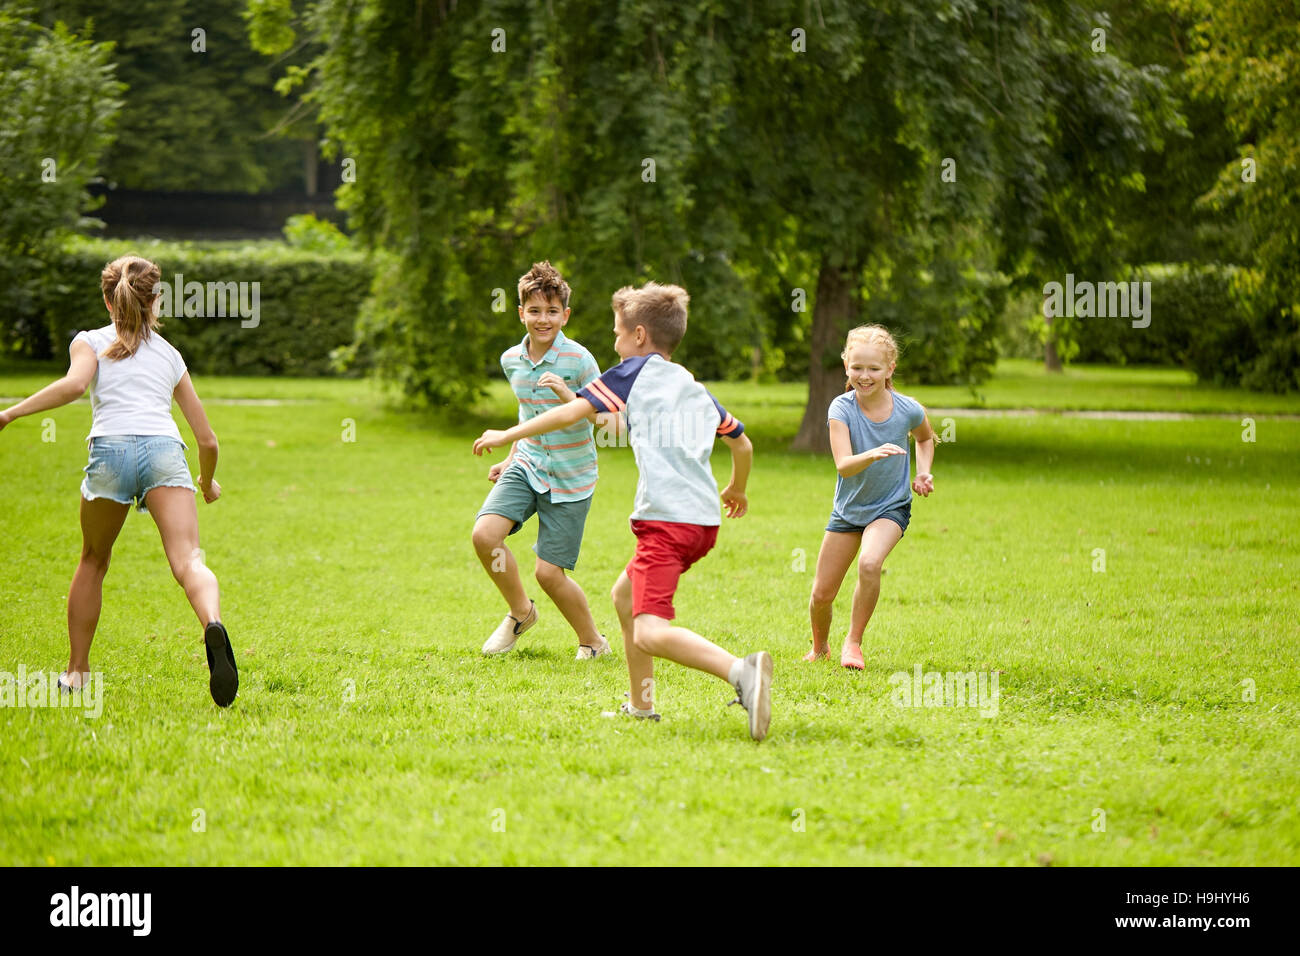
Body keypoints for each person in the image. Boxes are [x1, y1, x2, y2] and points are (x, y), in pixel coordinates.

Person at [473, 282, 773, 741]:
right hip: (701, 522)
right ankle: (640, 705)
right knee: (623, 597)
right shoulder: (689, 385)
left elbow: (570, 415)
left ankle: (742, 672)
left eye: (616, 334)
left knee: (650, 631)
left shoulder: (631, 372)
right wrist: (737, 488)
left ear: (637, 335)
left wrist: (508, 435)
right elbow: (741, 441)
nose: (613, 343)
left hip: (668, 523)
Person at [0, 255, 237, 706]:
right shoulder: (170, 356)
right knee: (189, 560)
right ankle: (211, 623)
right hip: (165, 451)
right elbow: (207, 440)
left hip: (110, 451)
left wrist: (10, 413)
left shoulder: (89, 342)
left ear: (108, 301)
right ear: (155, 301)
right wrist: (207, 483)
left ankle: (76, 675)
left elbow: (72, 388)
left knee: (93, 559)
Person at [471, 261, 612, 660]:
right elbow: (527, 414)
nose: (543, 319)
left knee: (548, 574)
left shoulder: (580, 360)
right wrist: (512, 456)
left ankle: (593, 642)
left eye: (552, 311)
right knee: (485, 536)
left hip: (572, 476)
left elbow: (607, 419)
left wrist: (570, 395)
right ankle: (521, 613)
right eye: (534, 310)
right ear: (521, 313)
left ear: (565, 315)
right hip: (527, 464)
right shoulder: (511, 359)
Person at [805, 324, 935, 670]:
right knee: (821, 595)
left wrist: (922, 472)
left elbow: (925, 438)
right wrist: (873, 453)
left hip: (890, 507)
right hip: (849, 511)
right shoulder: (840, 409)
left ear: (890, 369)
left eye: (874, 368)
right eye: (857, 367)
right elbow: (844, 466)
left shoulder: (907, 409)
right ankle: (820, 648)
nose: (865, 376)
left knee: (870, 563)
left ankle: (853, 643)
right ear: (846, 365)